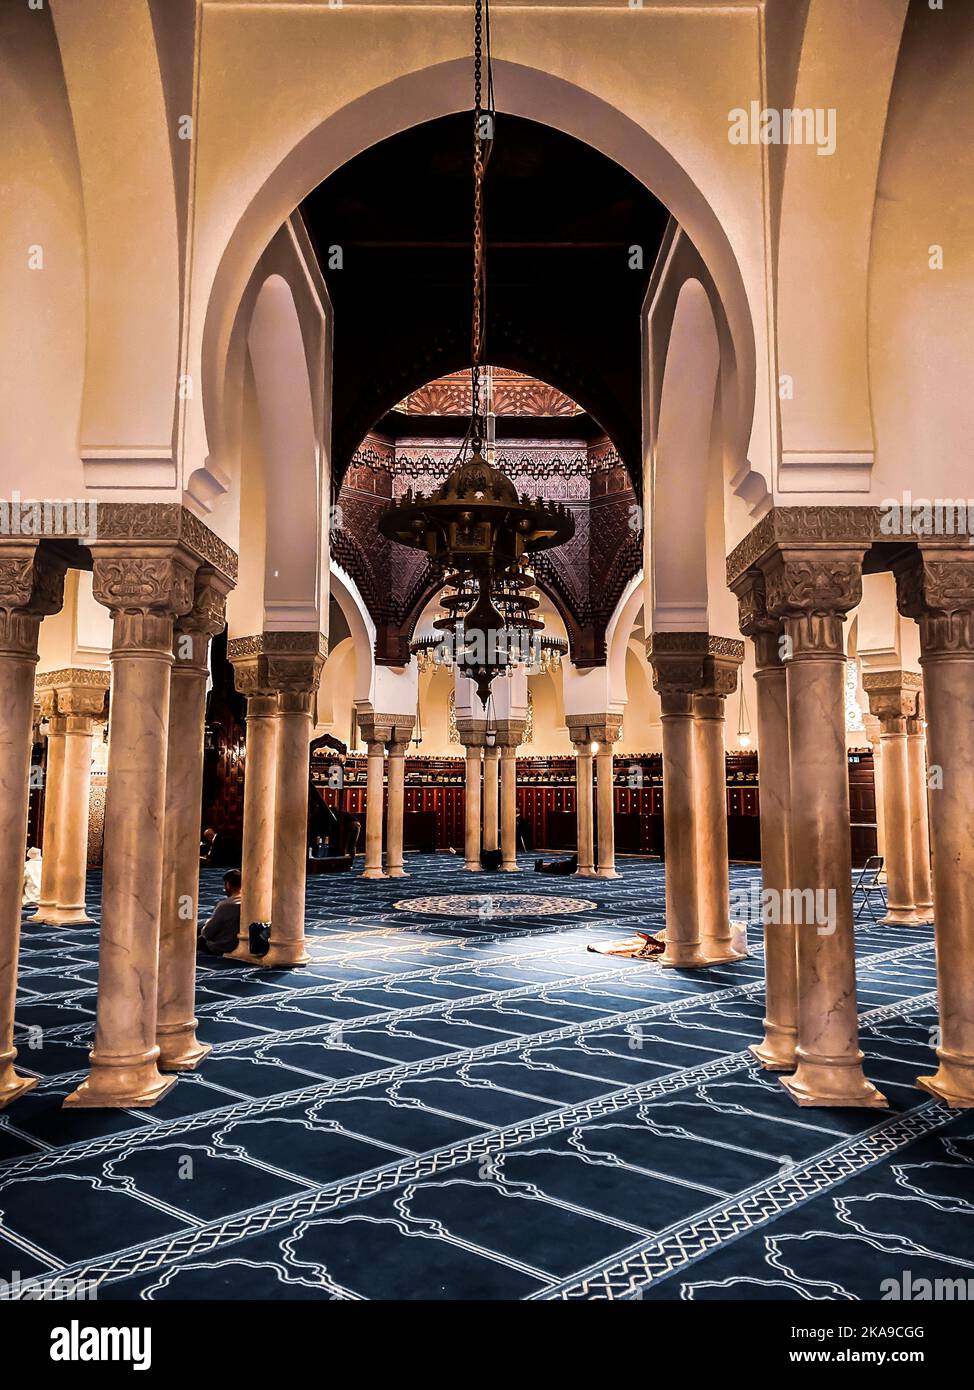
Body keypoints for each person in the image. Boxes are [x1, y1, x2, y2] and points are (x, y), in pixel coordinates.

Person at [198, 868, 242, 957]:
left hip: (222, 947)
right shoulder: (253, 904)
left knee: (198, 935)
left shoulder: (225, 905)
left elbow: (207, 934)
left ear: (228, 885)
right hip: (244, 944)